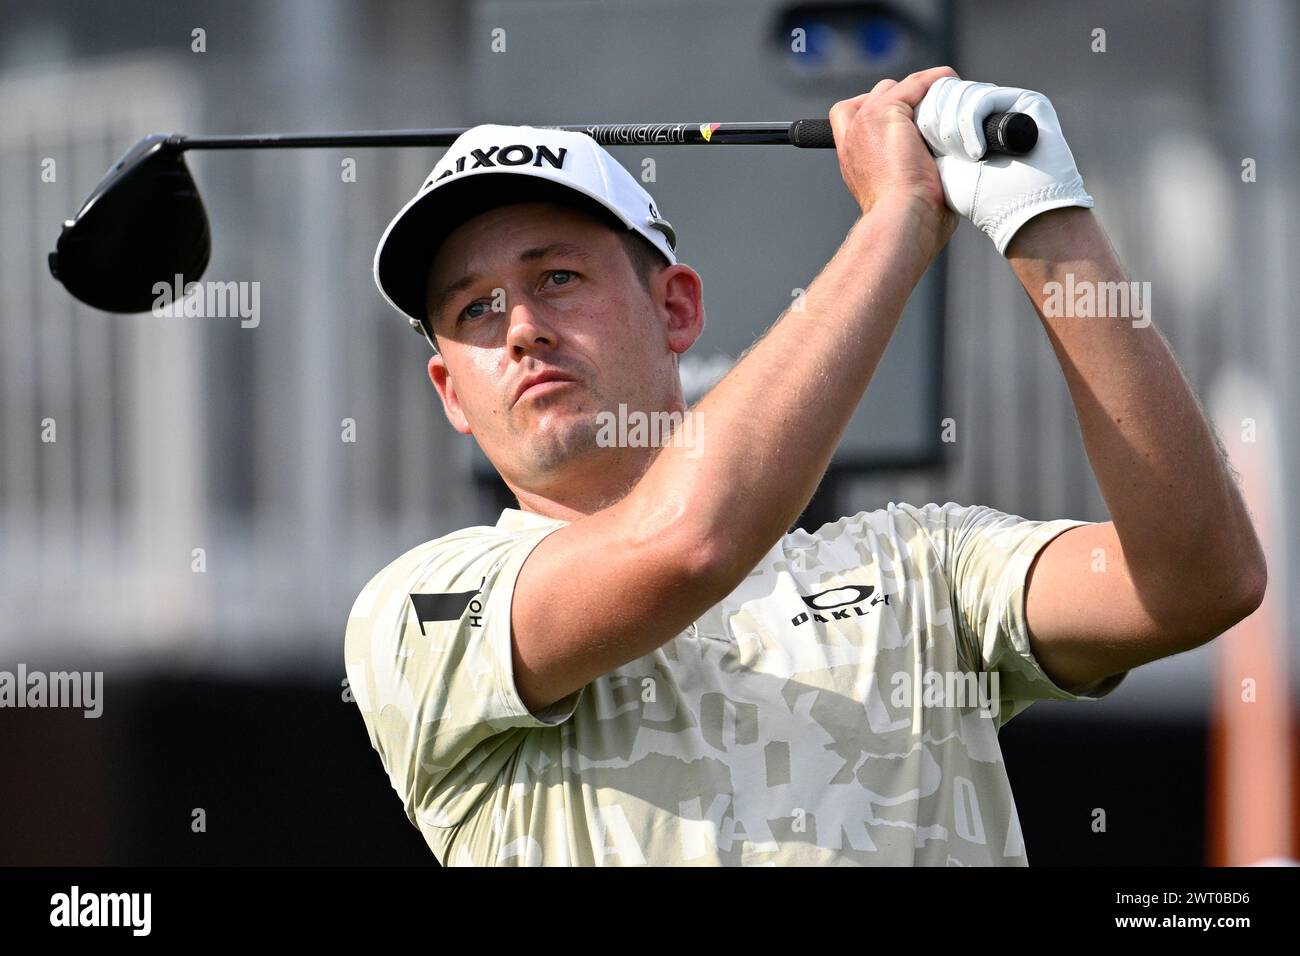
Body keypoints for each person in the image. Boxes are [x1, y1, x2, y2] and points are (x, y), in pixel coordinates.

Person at [345, 67, 1266, 865]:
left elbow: (1199, 580)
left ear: (675, 309)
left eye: (557, 278)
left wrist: (1044, 214)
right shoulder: (417, 609)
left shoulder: (917, 564)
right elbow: (689, 543)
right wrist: (899, 219)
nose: (521, 328)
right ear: (450, 393)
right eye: (474, 310)